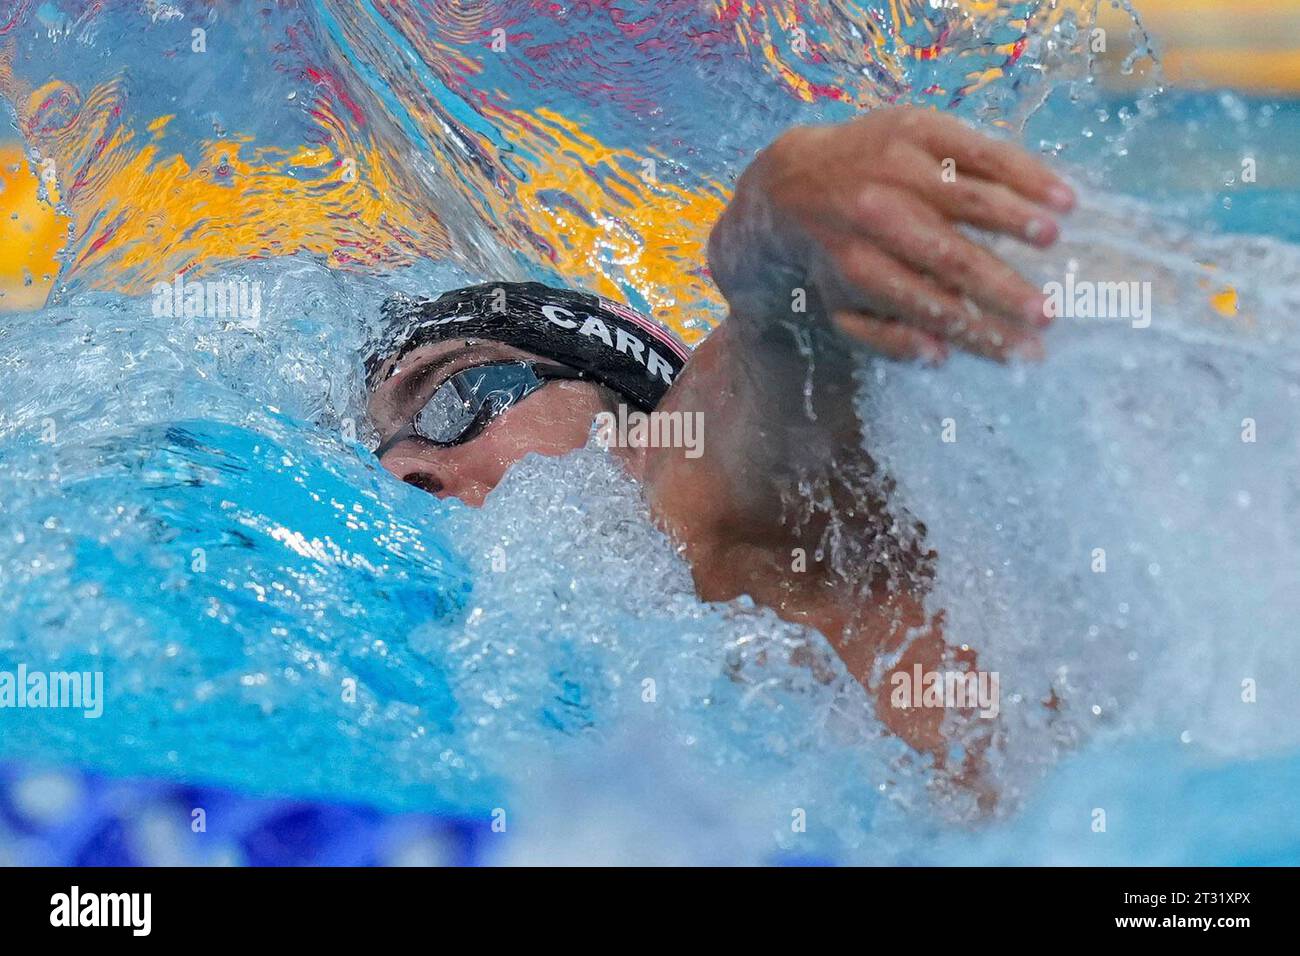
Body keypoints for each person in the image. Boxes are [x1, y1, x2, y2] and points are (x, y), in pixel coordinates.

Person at [364, 106, 1075, 785]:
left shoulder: (685, 508)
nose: (402, 465)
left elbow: (773, 327)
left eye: (456, 396)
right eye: (380, 451)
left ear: (629, 411)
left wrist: (783, 213)